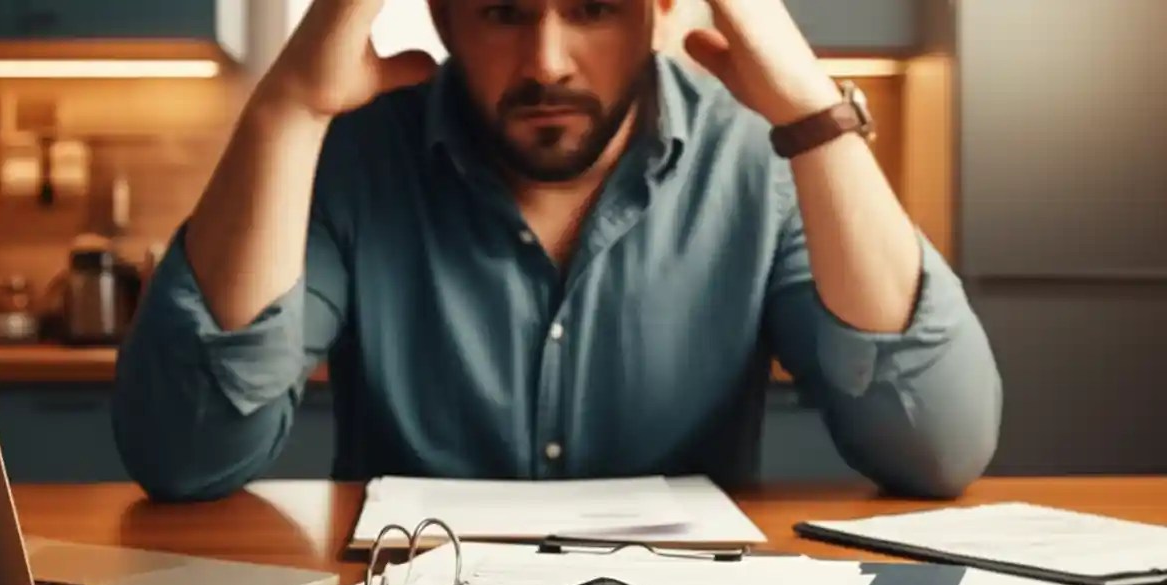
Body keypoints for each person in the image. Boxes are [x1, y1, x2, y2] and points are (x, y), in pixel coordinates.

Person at [112, 0, 1002, 503]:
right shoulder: (352, 158)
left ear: (656, 10)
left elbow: (934, 447)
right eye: (504, 10)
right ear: (443, 17)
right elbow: (188, 458)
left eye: (591, 8)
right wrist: (285, 113)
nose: (547, 61)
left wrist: (816, 117)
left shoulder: (758, 162)